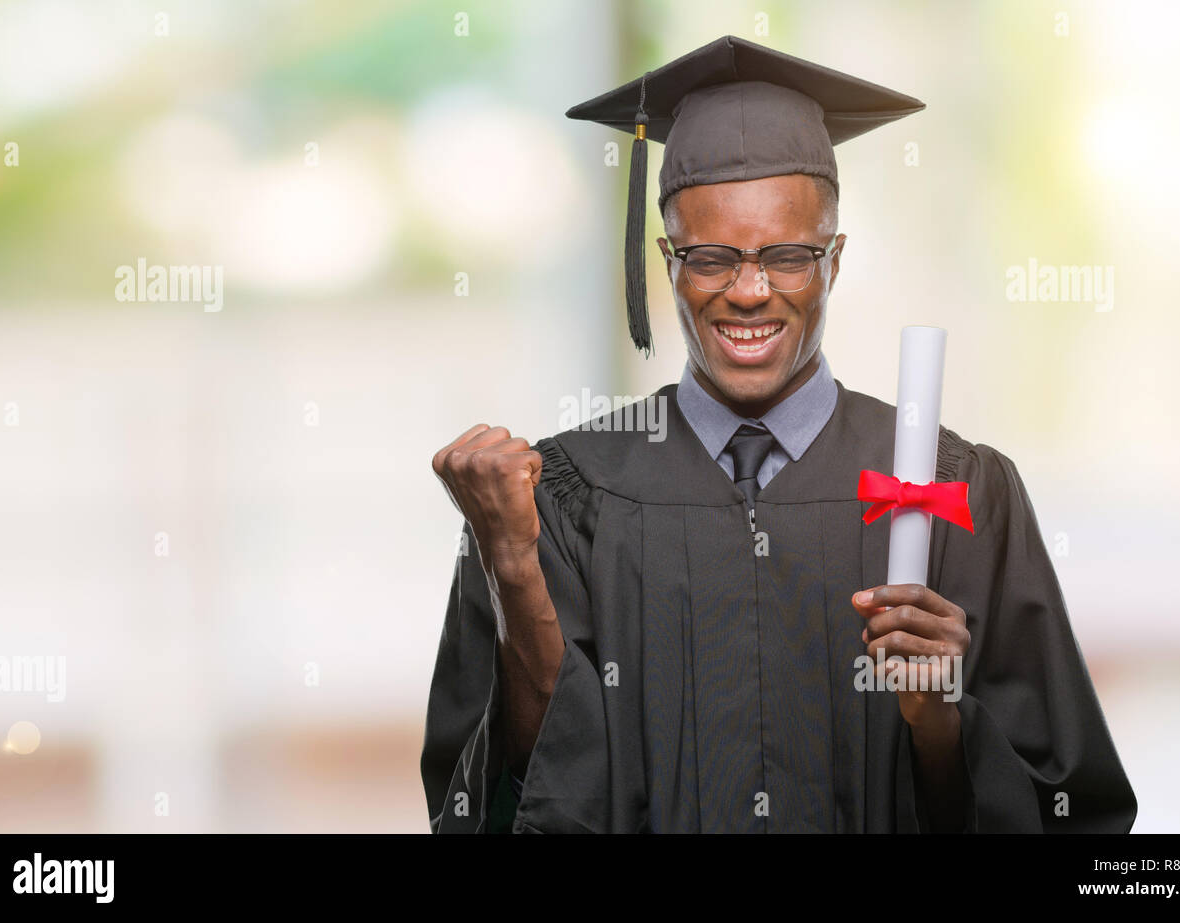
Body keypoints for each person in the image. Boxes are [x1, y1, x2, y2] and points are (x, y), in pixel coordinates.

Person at [421, 35, 1137, 833]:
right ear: (666, 261)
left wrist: (941, 722)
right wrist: (513, 566)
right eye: (710, 258)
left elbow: (1072, 812)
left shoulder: (956, 490)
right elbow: (497, 803)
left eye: (788, 256)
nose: (750, 291)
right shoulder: (555, 500)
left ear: (834, 261)